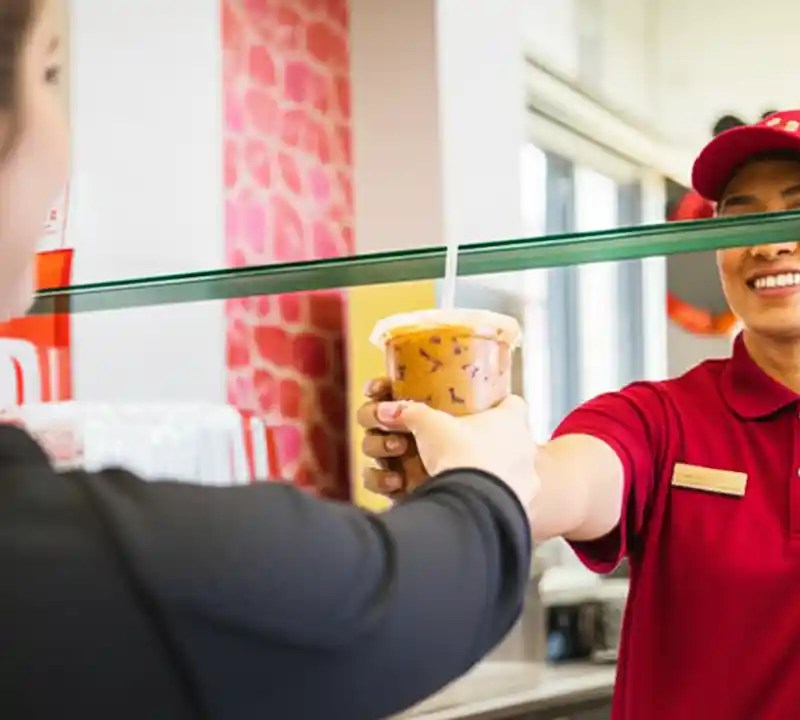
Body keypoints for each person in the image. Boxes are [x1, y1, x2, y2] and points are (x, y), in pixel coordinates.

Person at [363, 110, 800, 719]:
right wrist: (478, 467)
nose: (769, 242)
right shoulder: (657, 420)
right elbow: (557, 483)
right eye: (742, 218)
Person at [0, 2, 539, 718]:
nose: (62, 133)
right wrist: (489, 484)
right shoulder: (82, 560)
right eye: (48, 73)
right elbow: (385, 603)